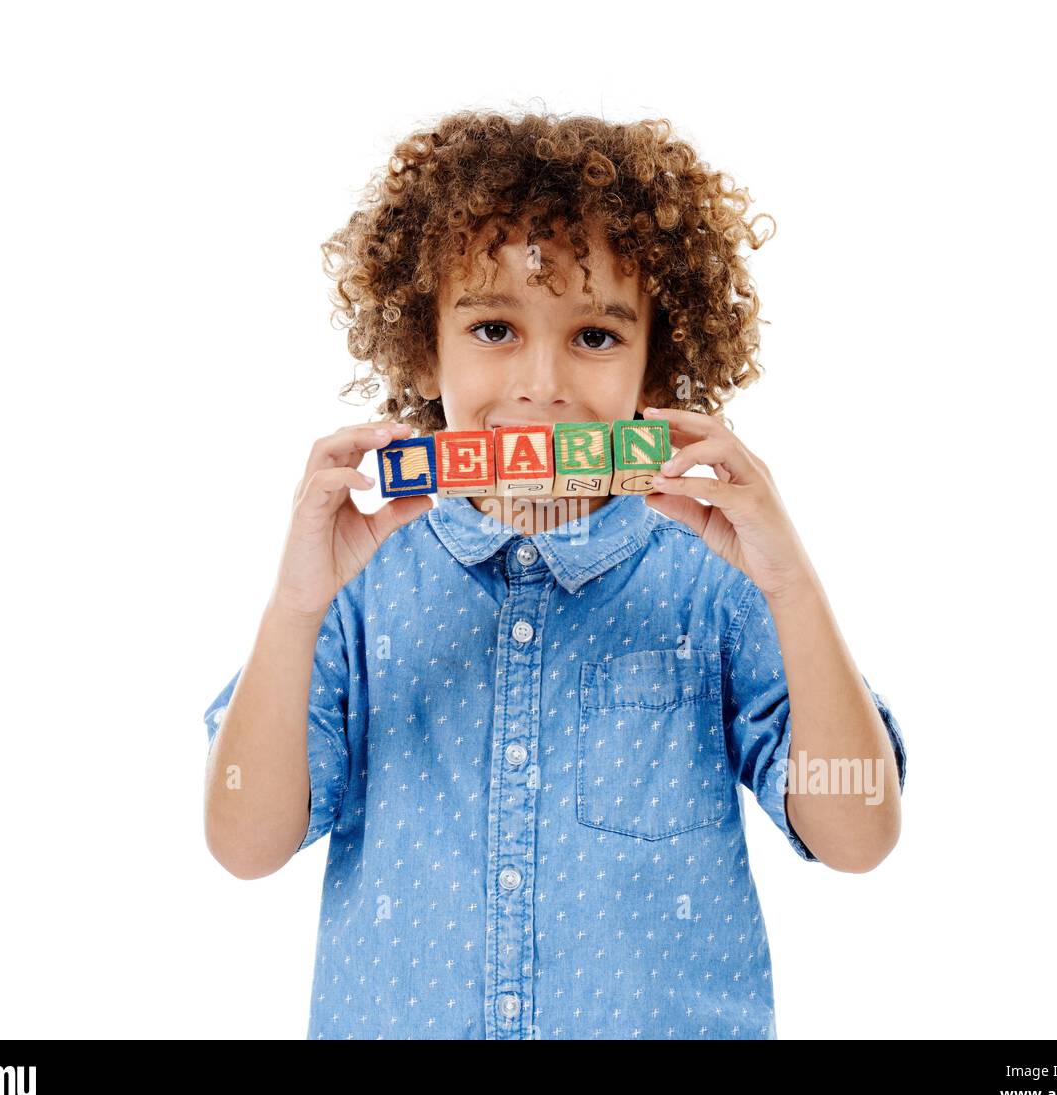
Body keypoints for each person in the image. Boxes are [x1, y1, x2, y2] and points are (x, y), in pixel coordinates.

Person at [203, 108, 908, 1040]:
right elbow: (245, 844)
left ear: (657, 367)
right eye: (494, 327)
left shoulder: (714, 578)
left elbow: (857, 835)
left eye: (596, 337)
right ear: (425, 350)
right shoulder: (356, 585)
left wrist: (793, 588)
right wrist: (296, 605)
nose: (542, 384)